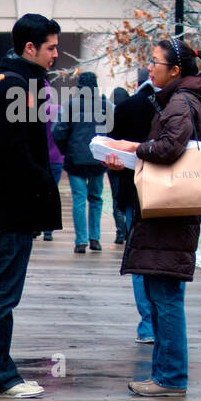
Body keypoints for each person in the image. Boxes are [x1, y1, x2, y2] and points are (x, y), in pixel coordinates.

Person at [106, 39, 201, 396]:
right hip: (168, 210)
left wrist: (131, 148)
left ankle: (170, 378)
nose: (149, 68)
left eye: (155, 62)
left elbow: (170, 148)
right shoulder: (181, 99)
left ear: (176, 71)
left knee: (165, 297)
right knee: (161, 293)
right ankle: (164, 376)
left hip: (170, 212)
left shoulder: (181, 102)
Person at [0, 14, 62, 398]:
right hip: (8, 207)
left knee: (2, 292)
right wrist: (43, 181)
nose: (56, 55)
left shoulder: (21, 83)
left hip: (9, 206)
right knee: (1, 294)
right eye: (51, 48)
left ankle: (0, 374)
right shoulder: (12, 86)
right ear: (30, 48)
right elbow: (12, 150)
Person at [110, 66, 157, 342]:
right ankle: (165, 322)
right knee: (168, 259)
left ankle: (148, 324)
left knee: (139, 257)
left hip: (135, 191)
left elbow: (113, 149)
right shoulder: (183, 106)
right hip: (174, 194)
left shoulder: (127, 107)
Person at [52, 71, 109, 253]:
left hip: (75, 159)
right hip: (98, 159)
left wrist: (66, 151)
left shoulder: (69, 106)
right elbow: (112, 131)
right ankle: (95, 237)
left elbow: (58, 131)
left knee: (79, 199)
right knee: (96, 198)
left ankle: (81, 240)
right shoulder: (104, 106)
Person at [42, 79, 65, 242]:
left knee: (37, 192)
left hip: (39, 158)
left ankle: (36, 225)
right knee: (51, 192)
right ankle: (48, 229)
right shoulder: (59, 110)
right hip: (56, 158)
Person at [107, 88, 130, 244]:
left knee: (116, 196)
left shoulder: (111, 115)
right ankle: (129, 230)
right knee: (129, 196)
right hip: (129, 161)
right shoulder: (132, 112)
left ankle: (120, 231)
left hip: (113, 160)